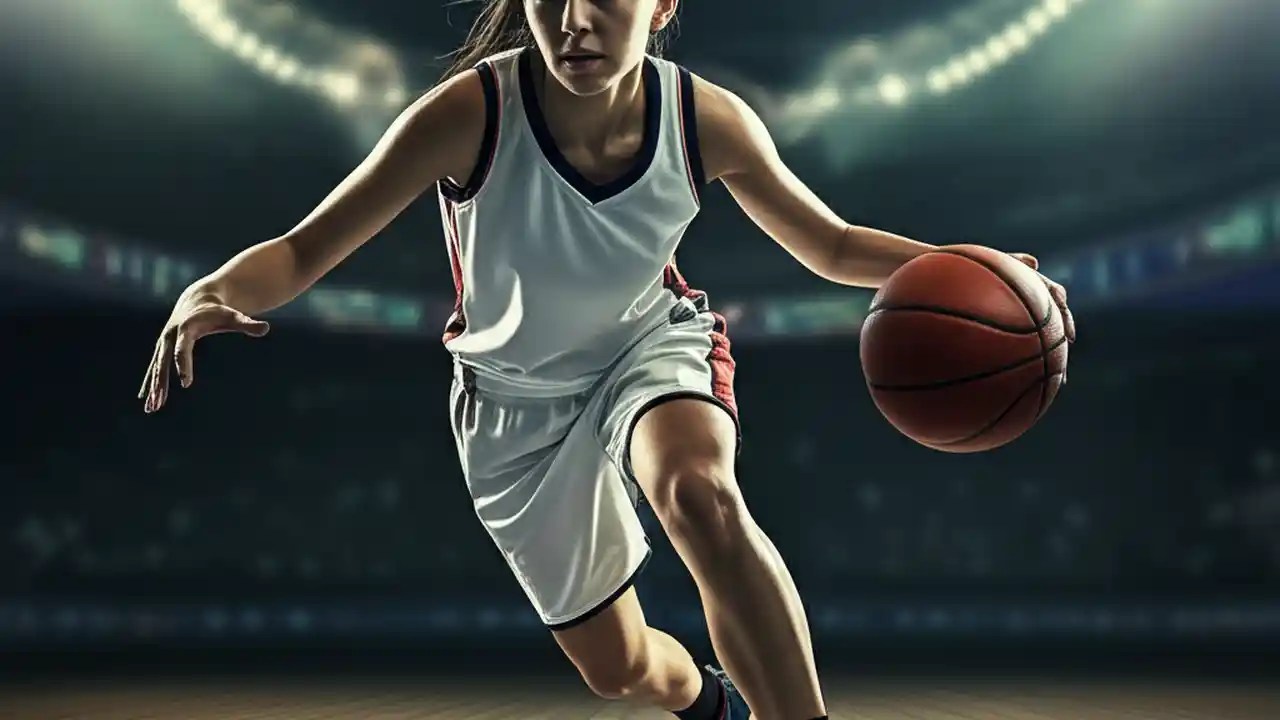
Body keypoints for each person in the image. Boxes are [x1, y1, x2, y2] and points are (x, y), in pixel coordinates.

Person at [138, 0, 1073, 717]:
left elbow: (827, 244)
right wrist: (210, 288)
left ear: (661, 5)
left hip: (646, 344)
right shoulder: (469, 114)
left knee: (699, 492)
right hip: (510, 405)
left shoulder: (705, 119)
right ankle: (699, 699)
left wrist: (974, 269)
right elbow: (303, 249)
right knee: (618, 668)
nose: (574, 20)